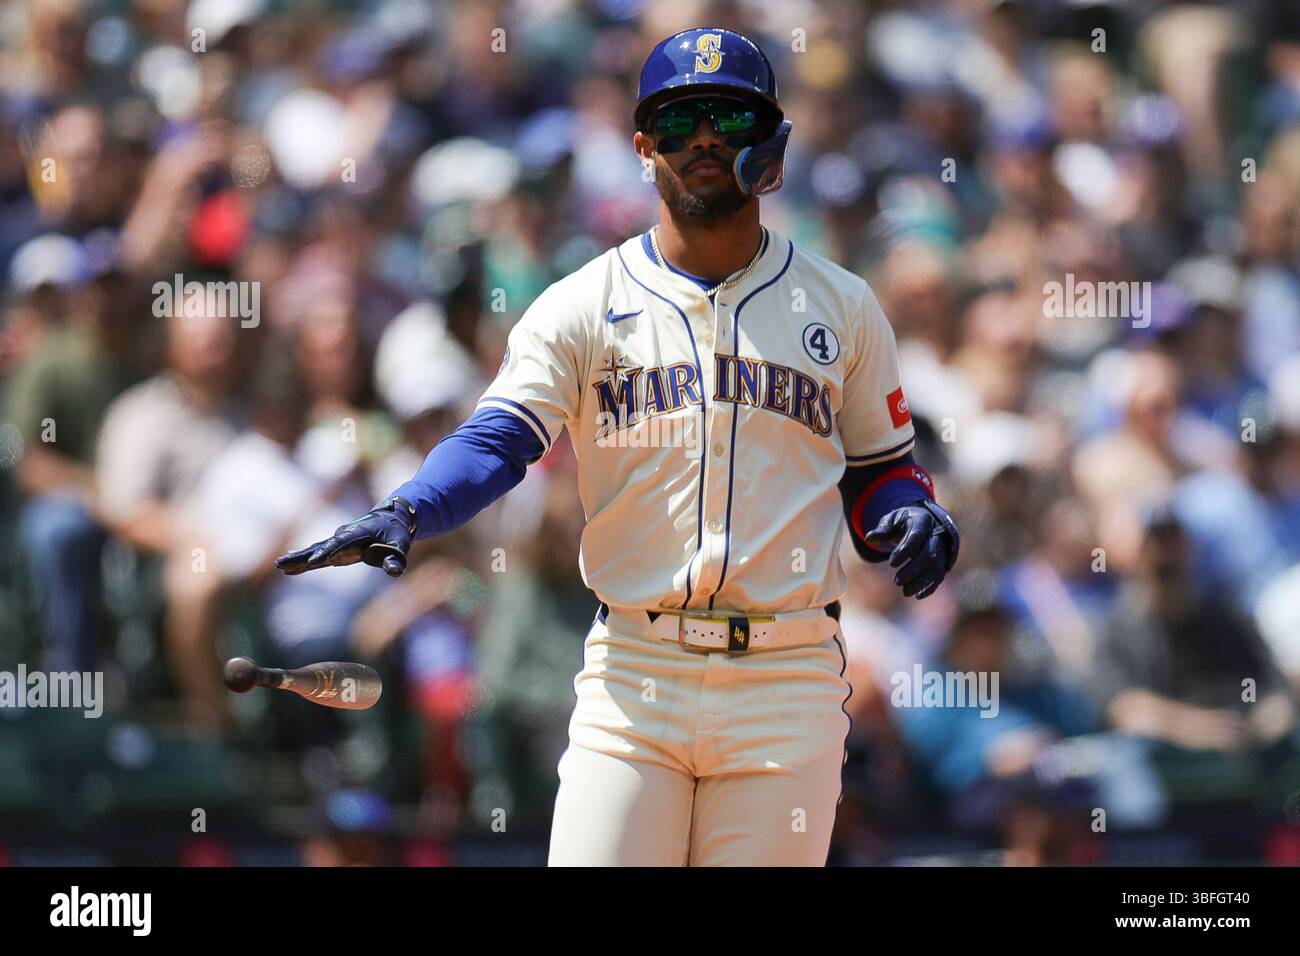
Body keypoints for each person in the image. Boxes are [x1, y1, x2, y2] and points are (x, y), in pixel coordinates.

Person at [276, 27, 960, 867]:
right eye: (681, 120)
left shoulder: (844, 307)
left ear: (771, 138)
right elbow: (500, 439)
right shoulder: (582, 303)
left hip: (786, 678)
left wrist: (912, 513)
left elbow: (880, 472)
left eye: (727, 116)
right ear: (643, 146)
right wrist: (412, 505)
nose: (705, 139)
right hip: (636, 673)